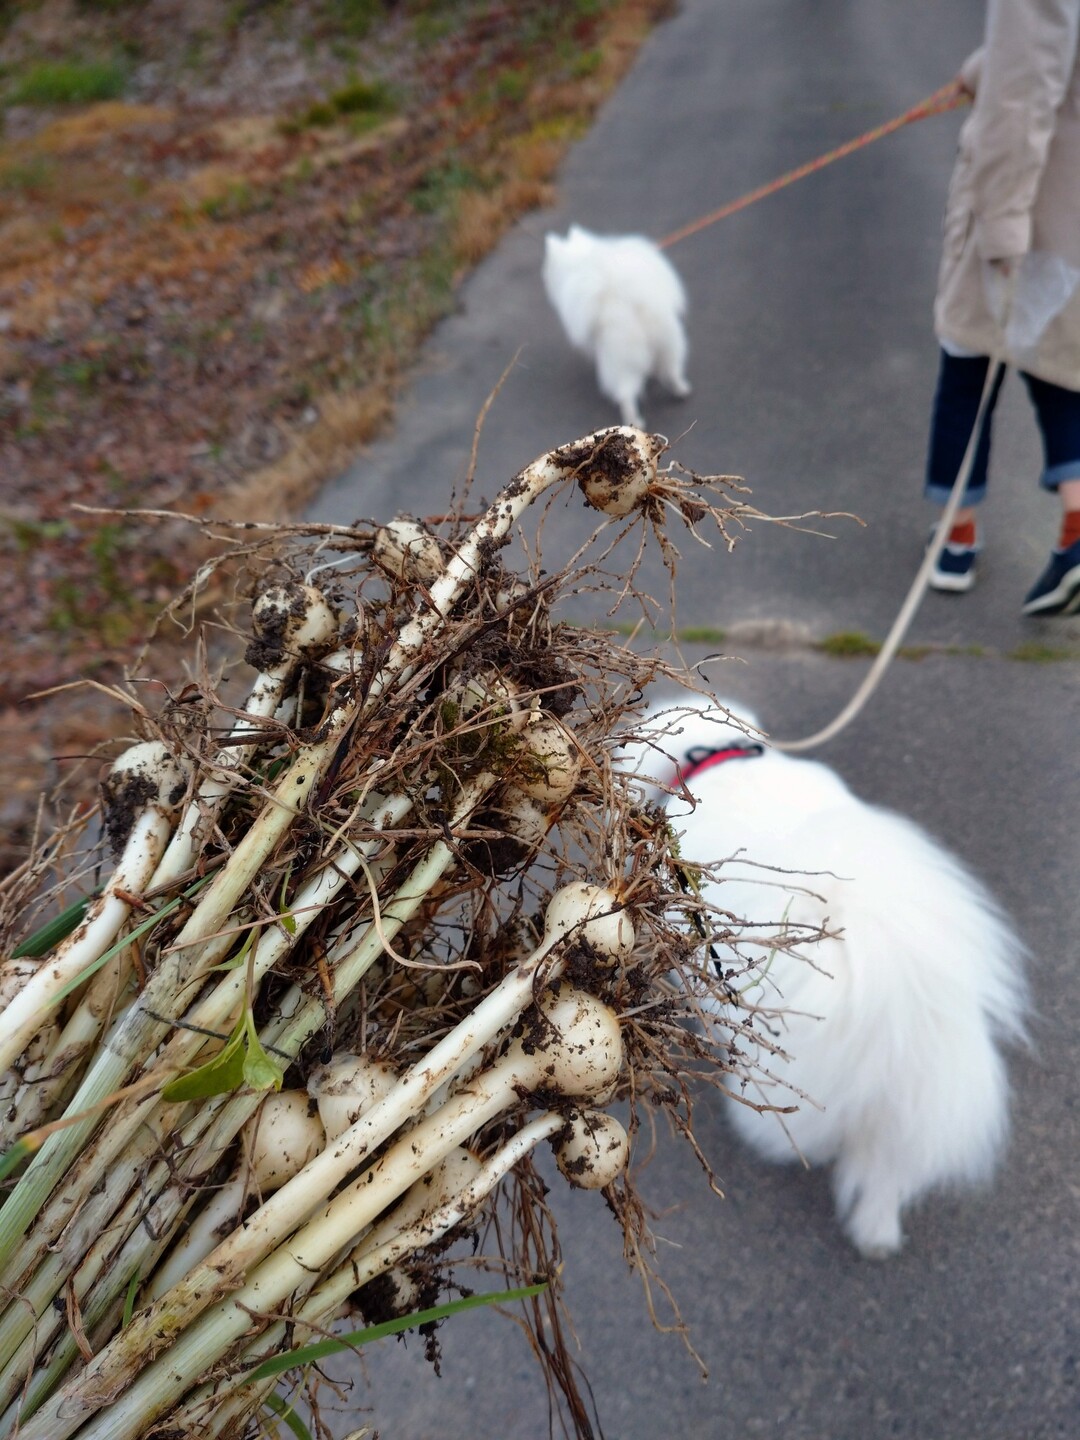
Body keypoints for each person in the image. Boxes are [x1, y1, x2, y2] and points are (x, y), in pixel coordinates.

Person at [925, 0, 1080, 616]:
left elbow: (1024, 91)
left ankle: (958, 537)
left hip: (1031, 196)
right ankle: (1076, 523)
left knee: (967, 362)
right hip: (1070, 201)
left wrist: (1001, 225)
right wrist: (980, 69)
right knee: (1058, 365)